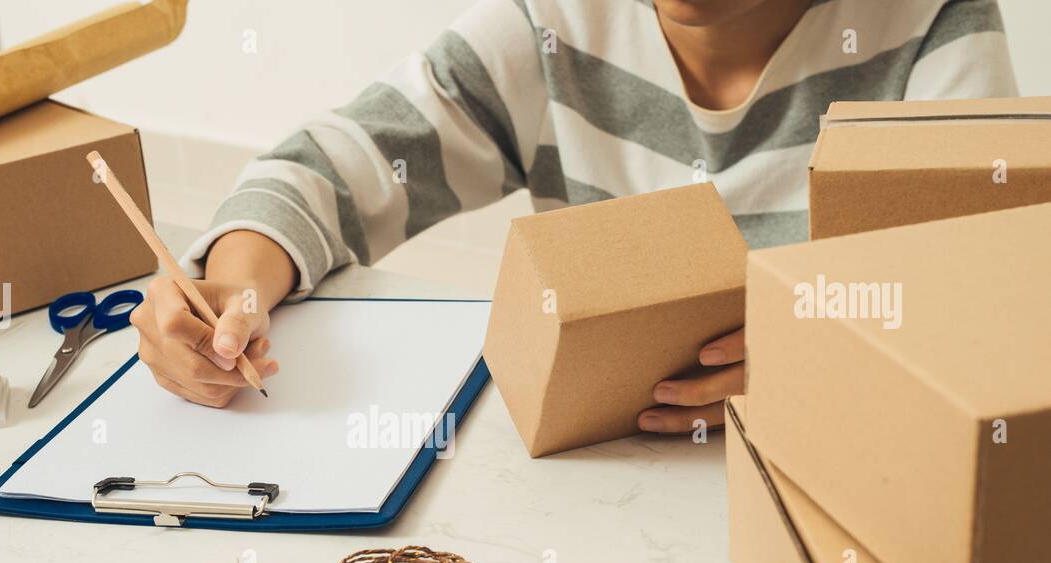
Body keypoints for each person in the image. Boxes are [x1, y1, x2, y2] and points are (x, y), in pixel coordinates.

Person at [131, 0, 1015, 431]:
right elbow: (327, 169)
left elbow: (994, 302)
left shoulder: (934, 29)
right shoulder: (557, 26)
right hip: (601, 509)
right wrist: (230, 289)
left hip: (830, 503)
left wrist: (836, 351)